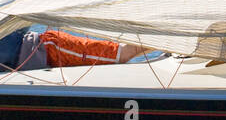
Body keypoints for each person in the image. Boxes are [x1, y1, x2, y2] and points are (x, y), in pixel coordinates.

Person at [0, 25, 152, 72]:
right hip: (46, 51)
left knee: (123, 54)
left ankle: (171, 42)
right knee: (123, 54)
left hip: (53, 49)